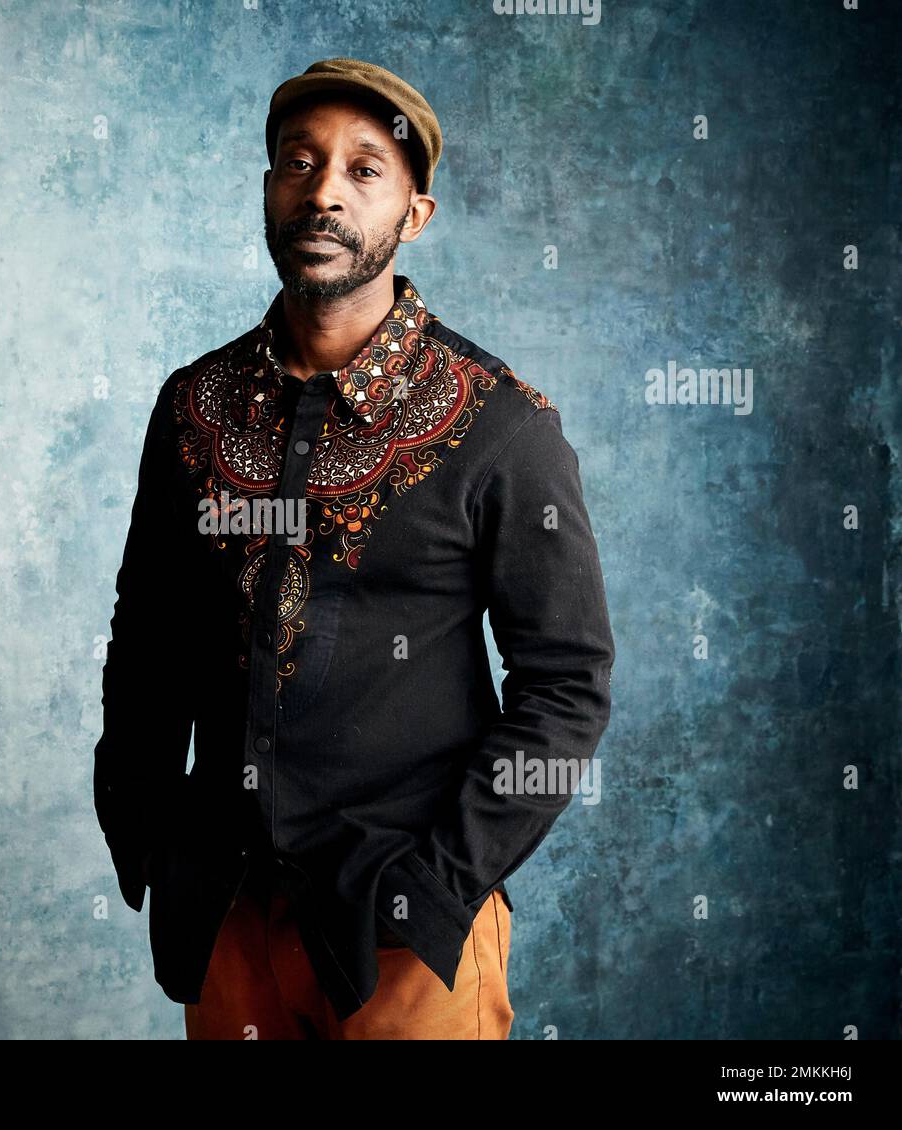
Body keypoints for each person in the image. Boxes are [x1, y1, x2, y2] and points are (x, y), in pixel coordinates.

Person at [94, 57, 616, 1040]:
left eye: (364, 169)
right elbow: (149, 632)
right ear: (268, 189)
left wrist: (437, 884)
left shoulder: (498, 424)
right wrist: (146, 828)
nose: (324, 187)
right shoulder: (193, 406)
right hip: (228, 921)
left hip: (405, 943)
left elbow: (567, 687)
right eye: (299, 160)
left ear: (413, 213)